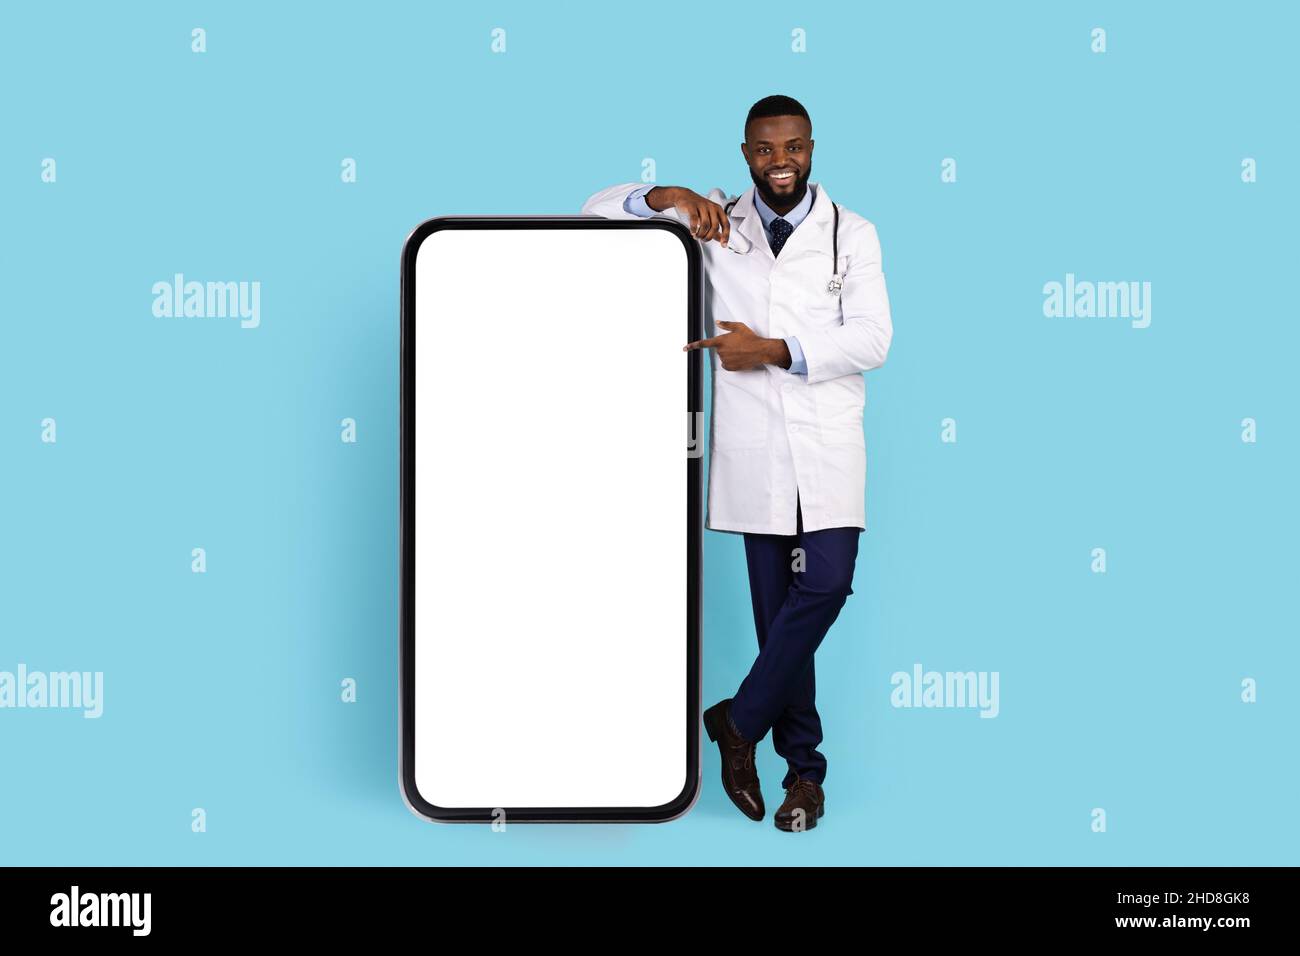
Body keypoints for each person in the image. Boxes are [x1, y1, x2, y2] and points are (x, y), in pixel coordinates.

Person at [581, 94, 893, 831]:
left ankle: (736, 719)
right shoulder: (716, 222)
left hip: (827, 441)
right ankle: (805, 778)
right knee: (778, 622)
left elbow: (875, 340)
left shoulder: (853, 234)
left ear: (812, 147)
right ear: (745, 152)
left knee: (824, 587)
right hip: (754, 450)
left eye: (792, 148)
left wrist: (777, 352)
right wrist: (669, 196)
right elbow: (595, 214)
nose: (779, 162)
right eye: (763, 150)